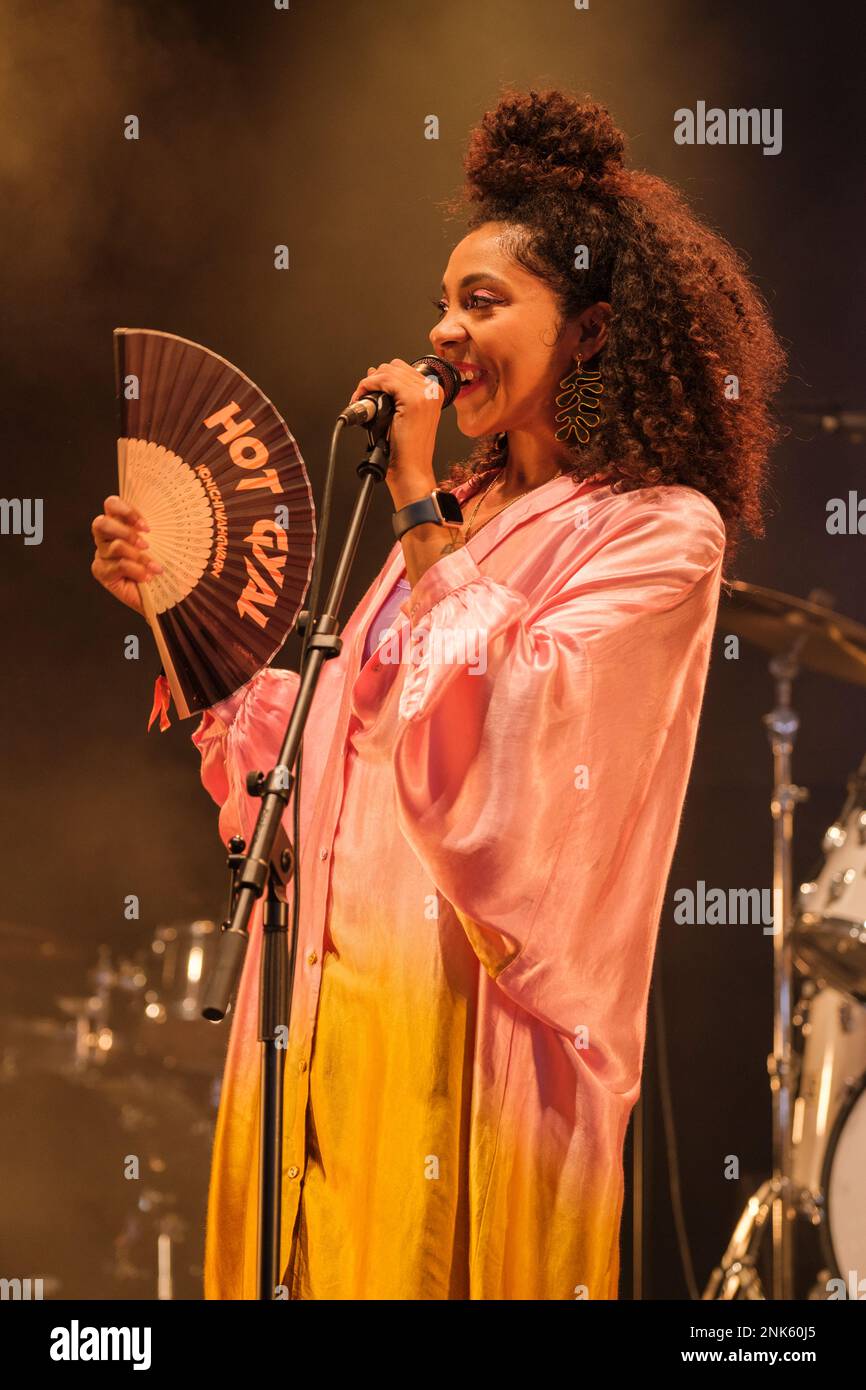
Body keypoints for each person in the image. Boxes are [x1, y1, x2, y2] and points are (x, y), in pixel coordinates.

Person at [91, 87, 786, 1300]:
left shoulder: (657, 533)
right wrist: (178, 610)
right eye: (439, 304)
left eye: (481, 302)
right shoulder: (453, 522)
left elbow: (517, 735)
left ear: (587, 332)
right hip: (322, 1026)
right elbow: (319, 765)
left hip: (467, 1049)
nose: (442, 333)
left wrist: (417, 504)